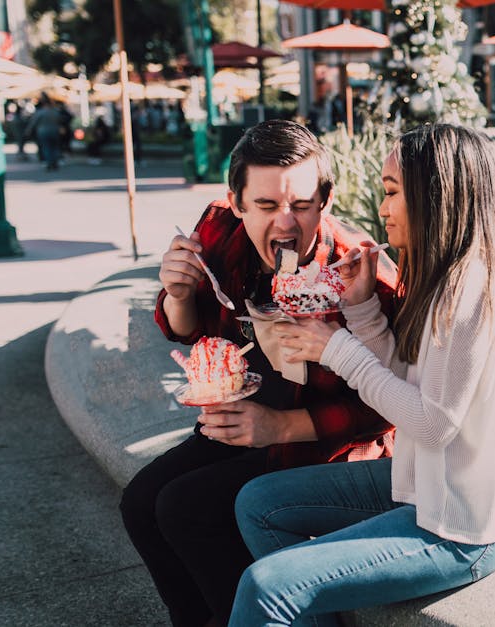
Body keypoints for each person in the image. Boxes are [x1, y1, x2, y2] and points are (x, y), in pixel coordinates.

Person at [228, 123, 495, 625]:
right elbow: (408, 383)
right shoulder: (447, 277)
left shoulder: (474, 293)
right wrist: (361, 314)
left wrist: (336, 348)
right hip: (425, 486)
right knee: (258, 503)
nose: (382, 209)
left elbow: (431, 425)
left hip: (463, 529)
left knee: (267, 587)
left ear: (435, 196)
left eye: (393, 193)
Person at [119, 119, 399, 627]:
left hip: (323, 443)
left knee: (187, 506)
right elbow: (183, 329)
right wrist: (179, 294)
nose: (286, 224)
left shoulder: (363, 275)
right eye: (267, 206)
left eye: (301, 205)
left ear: (327, 200)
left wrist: (279, 427)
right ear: (238, 202)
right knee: (139, 503)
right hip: (240, 424)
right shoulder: (219, 233)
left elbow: (390, 406)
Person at [25, 96, 62, 171]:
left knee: (46, 147)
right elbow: (61, 121)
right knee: (54, 147)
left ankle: (49, 162)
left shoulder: (40, 112)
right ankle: (55, 162)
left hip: (43, 132)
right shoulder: (56, 112)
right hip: (55, 131)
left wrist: (28, 130)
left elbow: (33, 122)